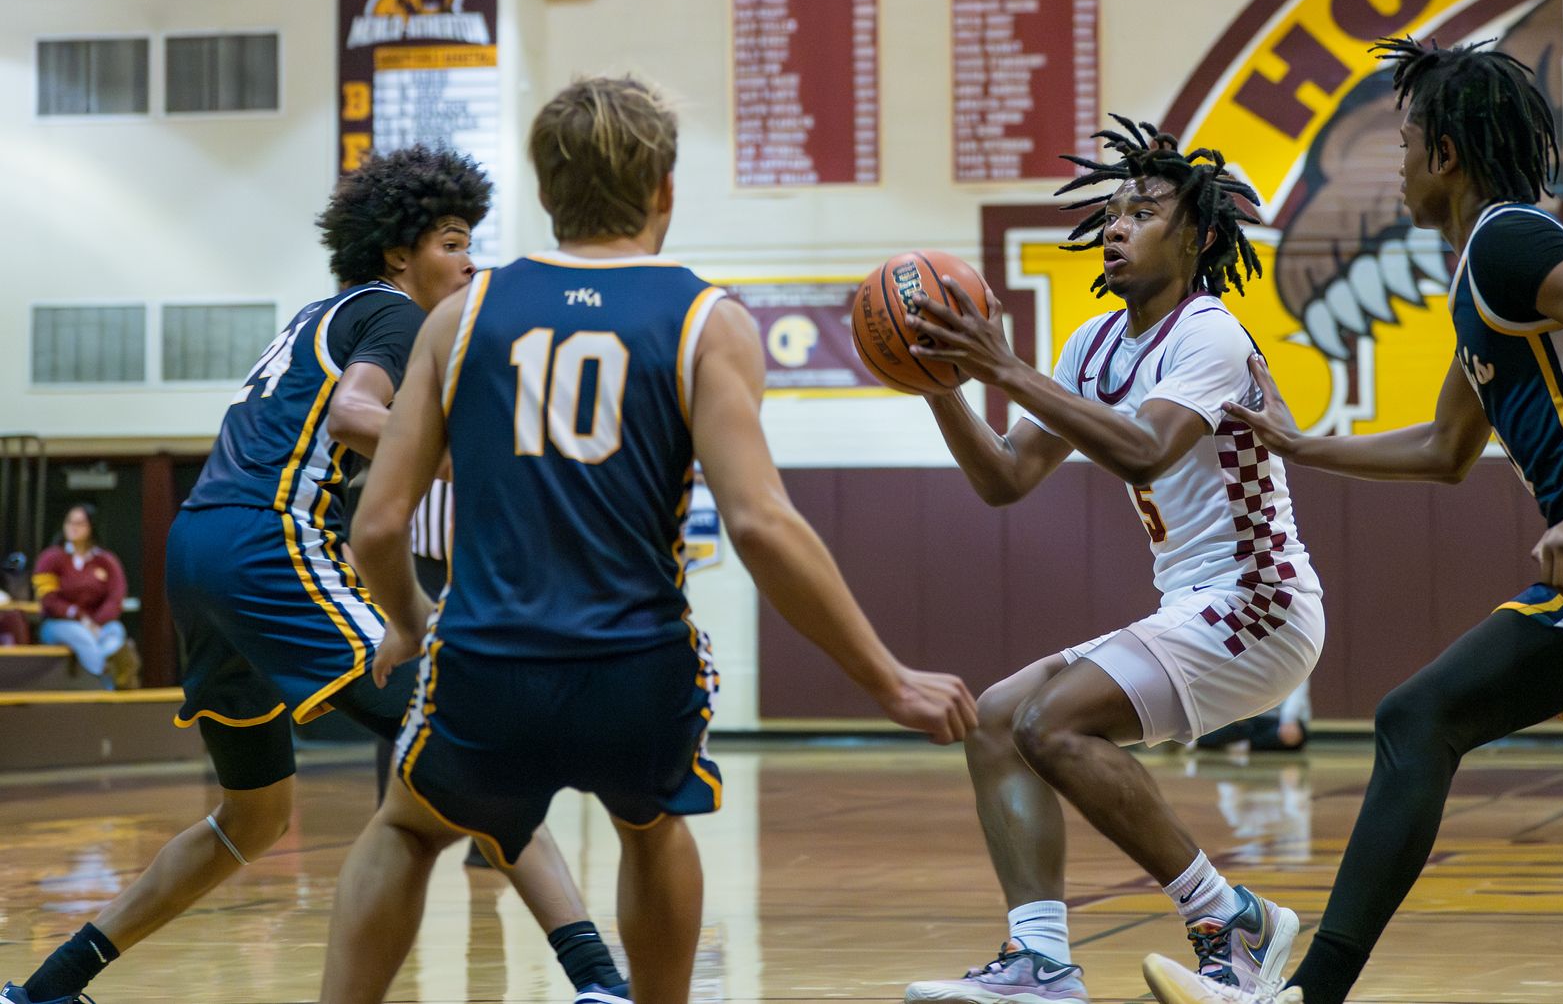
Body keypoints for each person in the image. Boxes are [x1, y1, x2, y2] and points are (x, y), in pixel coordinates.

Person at [316, 75, 978, 1004]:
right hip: (636, 660)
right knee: (652, 822)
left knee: (410, 827)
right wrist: (885, 677)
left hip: (490, 653)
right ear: (665, 188)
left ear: (546, 194)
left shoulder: (459, 319)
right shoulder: (711, 321)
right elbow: (759, 521)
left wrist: (414, 619)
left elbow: (377, 522)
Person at [1, 145, 625, 1004]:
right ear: (397, 251)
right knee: (480, 741)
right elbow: (354, 411)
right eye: (452, 240)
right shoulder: (396, 314)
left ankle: (47, 988)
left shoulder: (321, 314)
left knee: (250, 817)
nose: (469, 258)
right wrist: (469, 457)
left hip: (199, 547)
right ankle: (598, 981)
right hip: (266, 540)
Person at [1141, 36, 1563, 1004]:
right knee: (1419, 718)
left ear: (1445, 157)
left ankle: (1309, 996)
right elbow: (1442, 447)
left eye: (1403, 141)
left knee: (1415, 715)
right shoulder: (1484, 269)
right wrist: (1301, 446)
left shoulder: (1515, 241)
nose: (1393, 163)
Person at [897, 116, 1324, 1004]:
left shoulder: (1209, 332)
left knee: (1051, 724)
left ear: (1200, 237)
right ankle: (1040, 962)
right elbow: (1006, 477)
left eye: (1145, 210)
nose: (1119, 225)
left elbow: (1143, 451)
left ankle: (1228, 917)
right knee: (998, 718)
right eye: (1115, 211)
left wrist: (1006, 369)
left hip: (1261, 599)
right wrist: (942, 388)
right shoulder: (1091, 345)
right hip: (1194, 602)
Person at [32, 504, 138, 690]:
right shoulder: (50, 557)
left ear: (91, 527)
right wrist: (81, 619)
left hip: (98, 624)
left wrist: (95, 623)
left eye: (80, 523)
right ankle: (107, 680)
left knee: (115, 631)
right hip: (57, 624)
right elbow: (49, 600)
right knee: (81, 635)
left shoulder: (106, 561)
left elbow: (115, 598)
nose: (73, 527)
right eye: (70, 522)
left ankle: (111, 668)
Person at [1193, 680, 1310, 753]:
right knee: (1223, 729)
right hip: (1251, 719)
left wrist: (1288, 720)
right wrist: (1237, 711)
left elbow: (1297, 692)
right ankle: (1191, 742)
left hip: (1279, 721)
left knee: (1292, 738)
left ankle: (1242, 744)